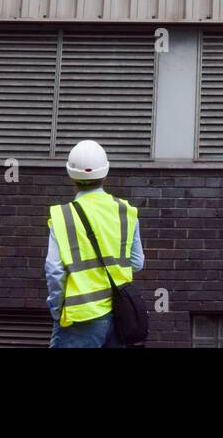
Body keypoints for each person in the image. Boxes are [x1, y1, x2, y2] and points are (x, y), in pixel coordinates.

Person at [45, 140, 143, 347]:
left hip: (80, 317)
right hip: (119, 315)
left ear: (72, 176)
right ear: (105, 175)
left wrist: (56, 309)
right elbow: (137, 262)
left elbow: (54, 271)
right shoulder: (126, 211)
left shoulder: (63, 216)